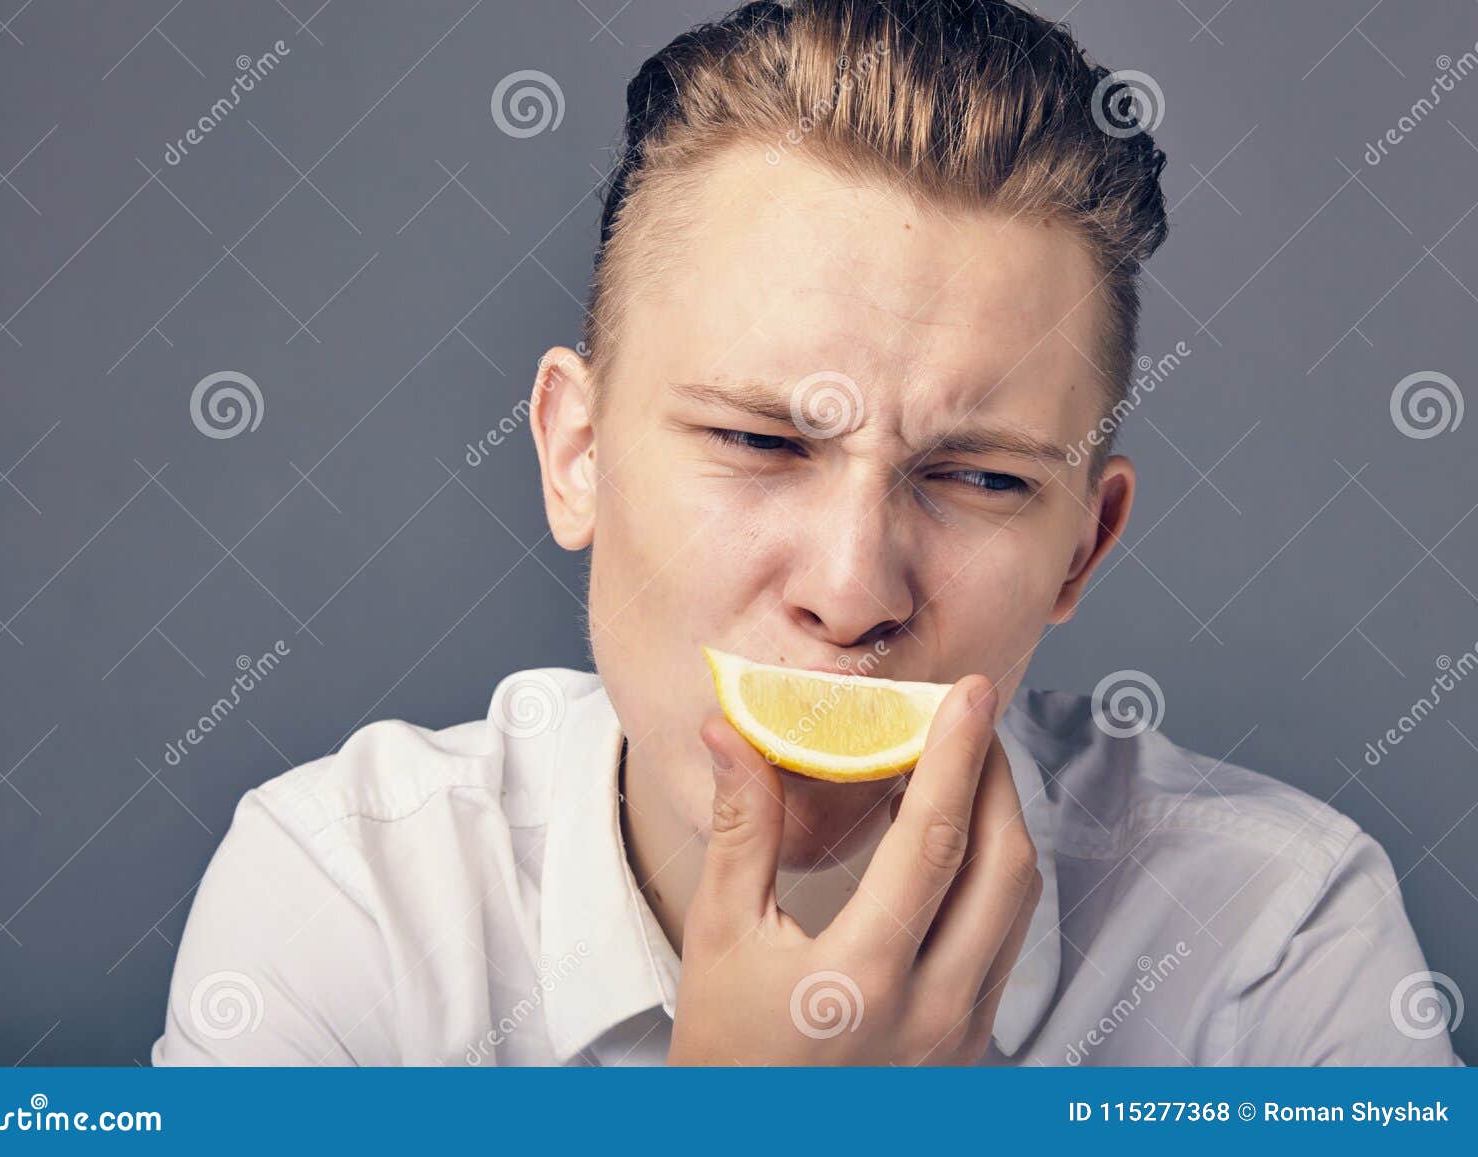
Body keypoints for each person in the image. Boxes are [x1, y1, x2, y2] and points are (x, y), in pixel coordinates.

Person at [152, 0, 1462, 1066]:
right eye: (758, 442)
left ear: (1083, 548)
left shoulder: (1271, 947)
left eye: (980, 477)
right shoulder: (351, 900)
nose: (850, 591)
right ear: (576, 455)